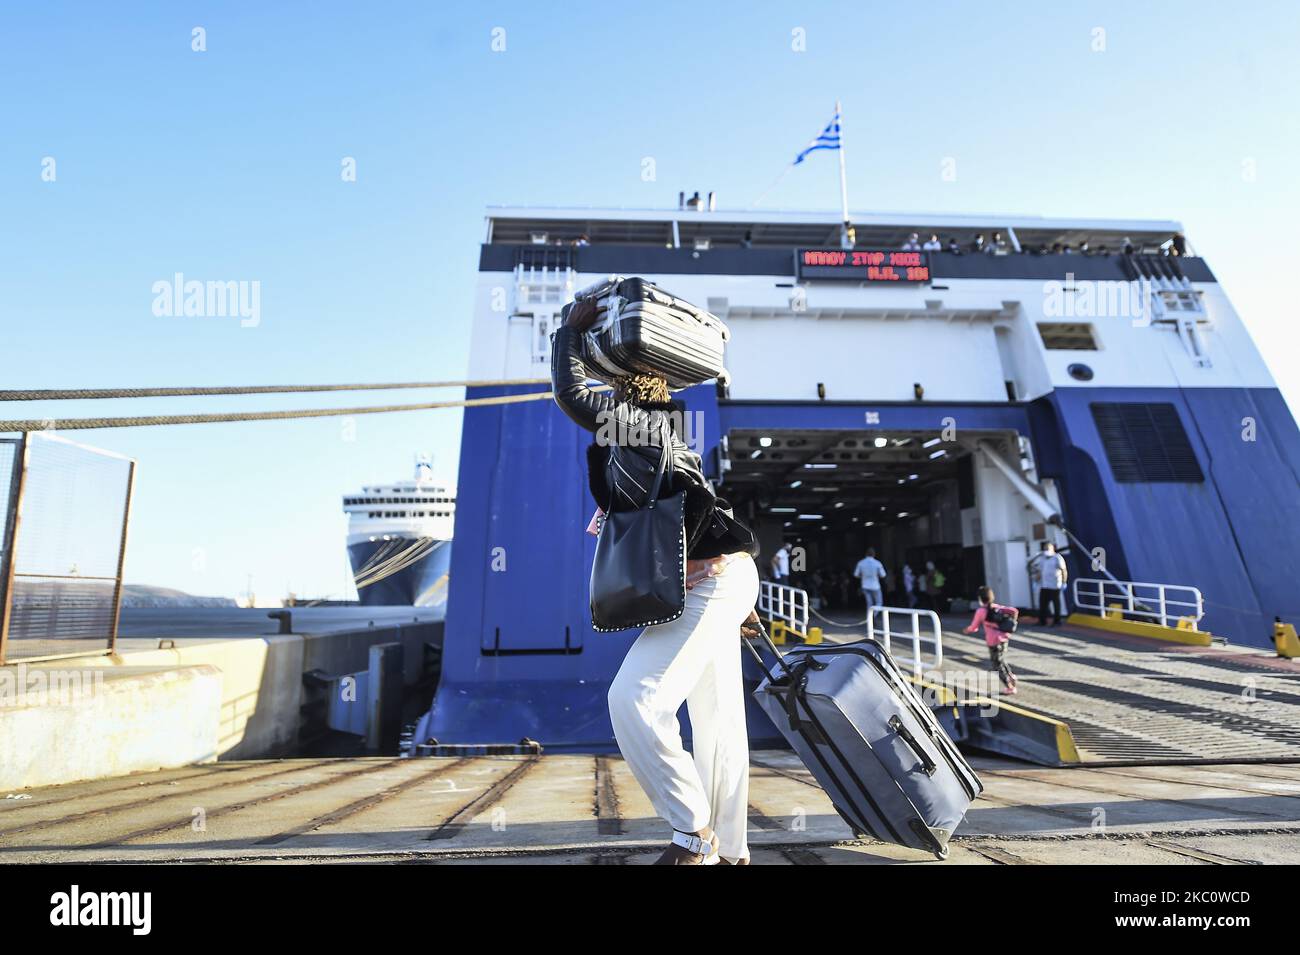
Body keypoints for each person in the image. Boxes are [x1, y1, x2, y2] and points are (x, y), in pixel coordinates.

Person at [552, 296, 760, 865]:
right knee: (717, 724)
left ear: (622, 398)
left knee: (636, 699)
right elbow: (707, 510)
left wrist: (570, 336)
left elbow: (571, 395)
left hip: (713, 580)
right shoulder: (660, 436)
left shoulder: (638, 428)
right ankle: (732, 852)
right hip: (727, 577)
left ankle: (693, 836)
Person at [963, 586, 1018, 693]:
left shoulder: (981, 611)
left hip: (993, 641)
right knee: (1001, 659)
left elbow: (974, 627)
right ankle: (1011, 676)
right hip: (1004, 638)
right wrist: (1013, 622)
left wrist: (967, 630)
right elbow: (1014, 611)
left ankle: (1010, 686)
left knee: (996, 664)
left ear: (980, 598)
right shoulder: (997, 607)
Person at [1029, 542, 1068, 626]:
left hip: (1054, 585)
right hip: (1044, 585)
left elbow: (1063, 570)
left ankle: (1057, 621)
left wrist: (1064, 582)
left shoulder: (1057, 557)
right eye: (1045, 549)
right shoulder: (1042, 558)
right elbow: (1040, 571)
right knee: (1043, 604)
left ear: (1052, 549)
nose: (1046, 551)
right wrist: (1036, 581)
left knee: (1056, 604)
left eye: (1048, 549)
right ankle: (1042, 621)